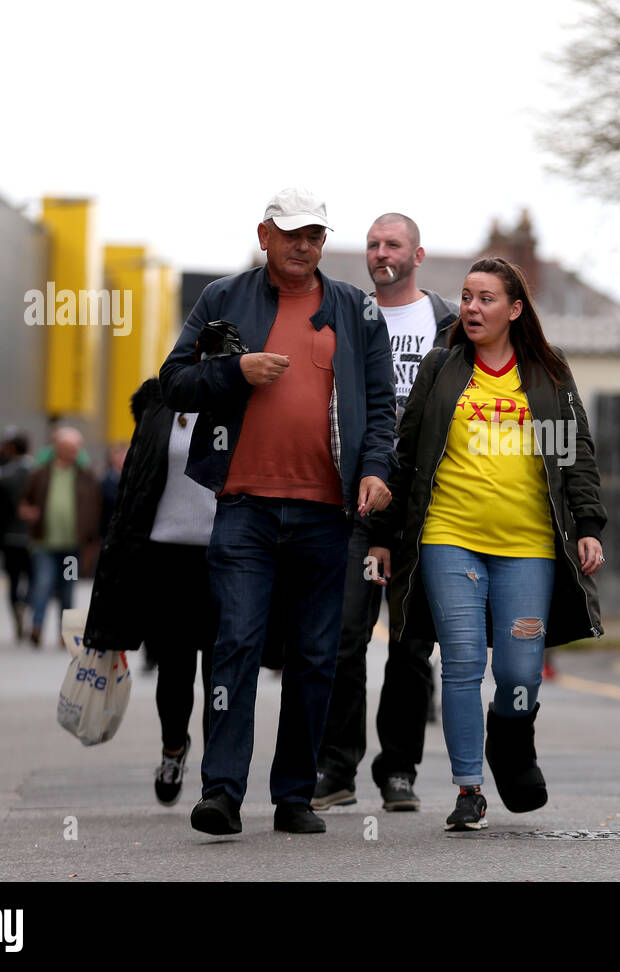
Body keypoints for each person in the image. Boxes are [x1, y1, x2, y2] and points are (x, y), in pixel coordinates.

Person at [158, 187, 396, 837]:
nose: (304, 245)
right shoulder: (223, 300)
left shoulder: (355, 311)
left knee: (317, 655)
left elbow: (381, 408)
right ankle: (223, 793)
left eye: (315, 235)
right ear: (265, 236)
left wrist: (376, 469)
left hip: (327, 513)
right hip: (244, 509)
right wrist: (235, 371)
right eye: (292, 234)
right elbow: (173, 383)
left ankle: (294, 795)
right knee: (233, 643)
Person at [369, 257, 606, 831]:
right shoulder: (441, 369)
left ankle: (509, 736)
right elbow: (406, 456)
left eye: (486, 299)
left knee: (522, 672)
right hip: (450, 538)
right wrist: (383, 537)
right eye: (467, 297)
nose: (472, 308)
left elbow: (575, 454)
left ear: (515, 310)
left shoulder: (548, 375)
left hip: (529, 546)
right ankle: (469, 787)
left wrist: (590, 525)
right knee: (462, 663)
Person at [314, 213, 459, 813]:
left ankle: (398, 769)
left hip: (427, 506)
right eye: (372, 245)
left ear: (417, 255)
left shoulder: (448, 325)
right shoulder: (349, 316)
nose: (380, 253)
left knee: (410, 645)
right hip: (355, 501)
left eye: (392, 244)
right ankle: (336, 767)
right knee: (345, 638)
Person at [82, 379, 216, 806]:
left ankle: (220, 773)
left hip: (229, 555)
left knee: (224, 669)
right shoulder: (159, 404)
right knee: (175, 666)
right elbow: (135, 484)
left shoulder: (244, 398)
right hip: (167, 556)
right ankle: (173, 749)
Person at [19, 426, 101, 648]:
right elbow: (24, 503)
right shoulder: (41, 473)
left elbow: (95, 509)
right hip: (44, 543)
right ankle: (36, 627)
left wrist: (91, 543)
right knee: (43, 584)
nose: (72, 452)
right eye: (67, 448)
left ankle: (66, 634)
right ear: (57, 448)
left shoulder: (86, 476)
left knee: (67, 587)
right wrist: (28, 512)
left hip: (72, 546)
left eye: (75, 448)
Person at [0, 431, 36, 641]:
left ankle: (16, 607)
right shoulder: (39, 472)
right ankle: (25, 603)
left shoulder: (3, 475)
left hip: (9, 536)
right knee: (35, 578)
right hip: (35, 538)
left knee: (13, 579)